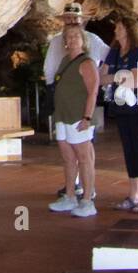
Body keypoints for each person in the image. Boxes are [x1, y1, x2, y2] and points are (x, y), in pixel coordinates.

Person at [44, 3, 108, 200]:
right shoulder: (57, 41)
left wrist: (101, 78)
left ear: (82, 21)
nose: (71, 22)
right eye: (68, 18)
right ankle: (72, 187)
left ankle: (88, 191)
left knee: (84, 150)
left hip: (81, 97)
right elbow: (50, 65)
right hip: (62, 94)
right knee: (68, 152)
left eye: (75, 19)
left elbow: (108, 57)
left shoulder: (92, 41)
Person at [102, 17, 138, 211]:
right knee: (129, 150)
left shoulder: (137, 52)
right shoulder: (114, 52)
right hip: (121, 105)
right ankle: (133, 195)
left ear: (129, 30)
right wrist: (121, 77)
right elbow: (101, 78)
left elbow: (137, 80)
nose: (116, 29)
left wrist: (115, 78)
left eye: (119, 27)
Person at [48, 26, 99, 217]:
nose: (72, 39)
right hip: (62, 115)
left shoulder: (87, 63)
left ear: (83, 40)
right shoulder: (64, 61)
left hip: (78, 116)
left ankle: (87, 200)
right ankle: (69, 195)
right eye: (69, 37)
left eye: (76, 36)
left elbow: (93, 90)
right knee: (68, 158)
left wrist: (87, 116)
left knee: (84, 158)